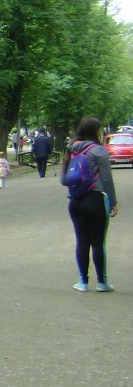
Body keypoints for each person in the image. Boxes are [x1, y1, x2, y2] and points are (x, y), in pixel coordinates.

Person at [62, 116, 117, 292]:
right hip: (95, 200)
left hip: (75, 201)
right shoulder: (99, 151)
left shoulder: (70, 149)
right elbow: (107, 179)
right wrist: (113, 201)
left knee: (82, 241)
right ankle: (102, 282)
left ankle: (82, 282)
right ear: (95, 131)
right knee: (98, 242)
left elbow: (64, 178)